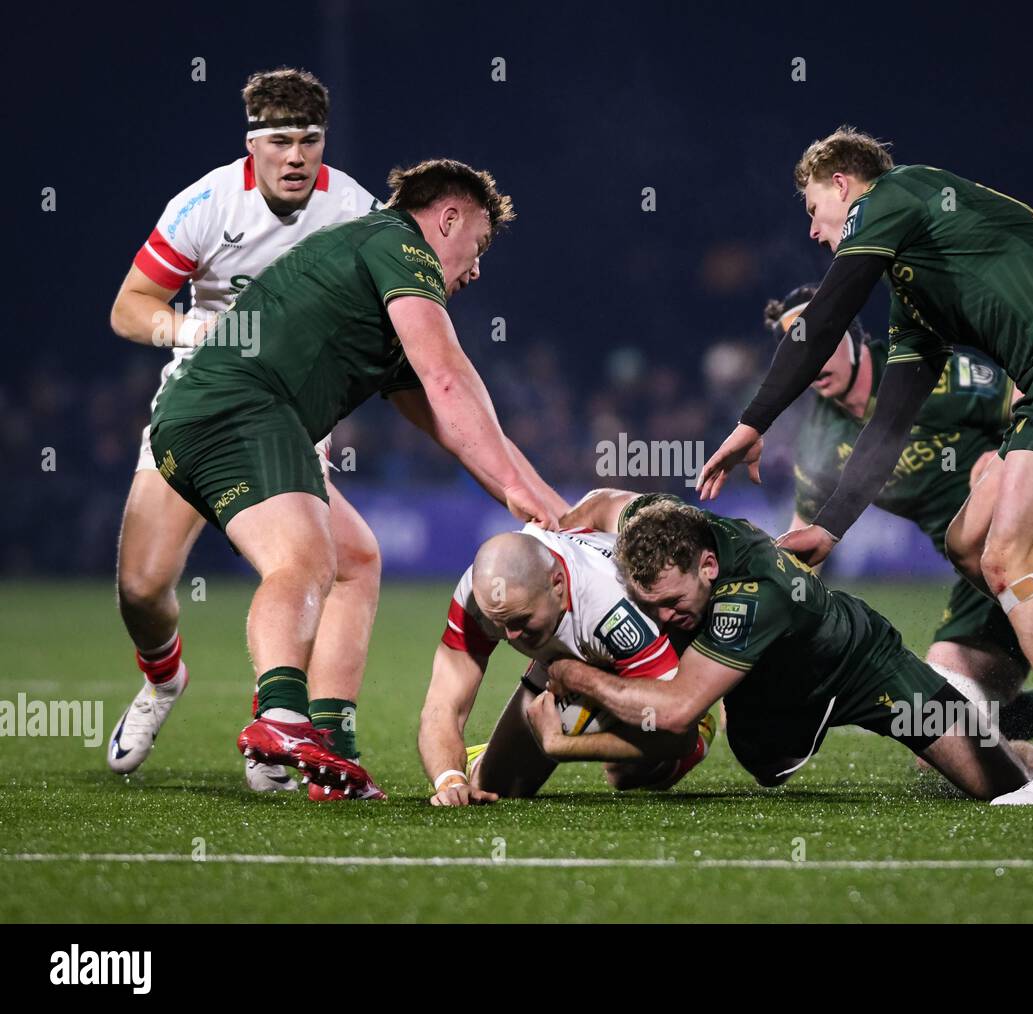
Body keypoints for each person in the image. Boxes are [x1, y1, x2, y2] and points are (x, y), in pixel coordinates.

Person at [698, 127, 1033, 803]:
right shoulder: (920, 289)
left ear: (840, 185)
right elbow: (890, 422)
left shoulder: (895, 192)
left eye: (812, 211)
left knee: (1010, 556)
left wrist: (751, 422)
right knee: (969, 543)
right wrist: (829, 528)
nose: (812, 231)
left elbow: (827, 313)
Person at [148, 156, 566, 795]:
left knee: (354, 559)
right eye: (477, 244)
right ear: (447, 218)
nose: (477, 267)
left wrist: (531, 498)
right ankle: (281, 719)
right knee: (303, 557)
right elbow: (450, 376)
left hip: (225, 414)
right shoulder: (398, 243)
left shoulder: (380, 289)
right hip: (236, 405)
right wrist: (531, 495)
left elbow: (451, 423)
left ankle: (328, 751)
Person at [107, 68, 386, 795]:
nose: (297, 156)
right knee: (141, 588)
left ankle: (300, 726)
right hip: (199, 410)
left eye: (311, 141)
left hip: (287, 419)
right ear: (252, 145)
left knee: (332, 560)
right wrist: (188, 327)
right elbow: (130, 307)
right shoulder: (205, 203)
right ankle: (164, 681)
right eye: (281, 141)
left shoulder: (354, 208)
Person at [770, 285, 1033, 758]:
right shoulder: (817, 442)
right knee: (947, 732)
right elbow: (801, 550)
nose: (812, 360)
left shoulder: (927, 373)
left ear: (853, 334)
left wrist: (1002, 467)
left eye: (823, 341)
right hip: (980, 586)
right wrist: (765, 631)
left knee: (996, 514)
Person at [547, 492, 1033, 804]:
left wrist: (576, 675)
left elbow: (675, 708)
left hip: (861, 664)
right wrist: (559, 540)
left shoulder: (753, 597)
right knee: (746, 767)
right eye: (650, 608)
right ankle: (1008, 736)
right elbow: (601, 503)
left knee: (995, 787)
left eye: (672, 603)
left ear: (709, 566)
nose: (663, 618)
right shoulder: (662, 531)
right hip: (772, 692)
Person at [418, 520, 714, 806]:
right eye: (500, 623)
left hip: (646, 654)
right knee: (493, 787)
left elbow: (677, 735)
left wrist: (562, 745)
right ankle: (492, 753)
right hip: (567, 654)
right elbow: (443, 704)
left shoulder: (611, 610)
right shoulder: (479, 595)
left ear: (557, 584)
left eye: (521, 620)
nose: (510, 636)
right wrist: (450, 779)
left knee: (627, 772)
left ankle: (704, 727)